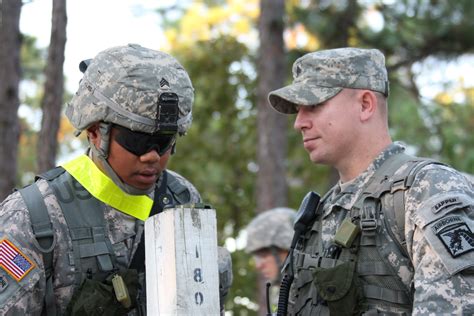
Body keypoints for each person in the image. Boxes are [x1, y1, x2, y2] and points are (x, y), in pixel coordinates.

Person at [0, 44, 231, 315]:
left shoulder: (181, 199)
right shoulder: (33, 216)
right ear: (97, 132)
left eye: (163, 141)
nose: (152, 157)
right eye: (138, 141)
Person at [267, 48, 474, 315]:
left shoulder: (426, 189)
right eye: (298, 109)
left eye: (314, 105)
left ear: (365, 104)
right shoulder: (322, 212)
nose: (299, 122)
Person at [245, 208, 296, 311]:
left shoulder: (316, 290)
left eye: (263, 255)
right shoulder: (283, 293)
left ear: (288, 249)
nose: (258, 265)